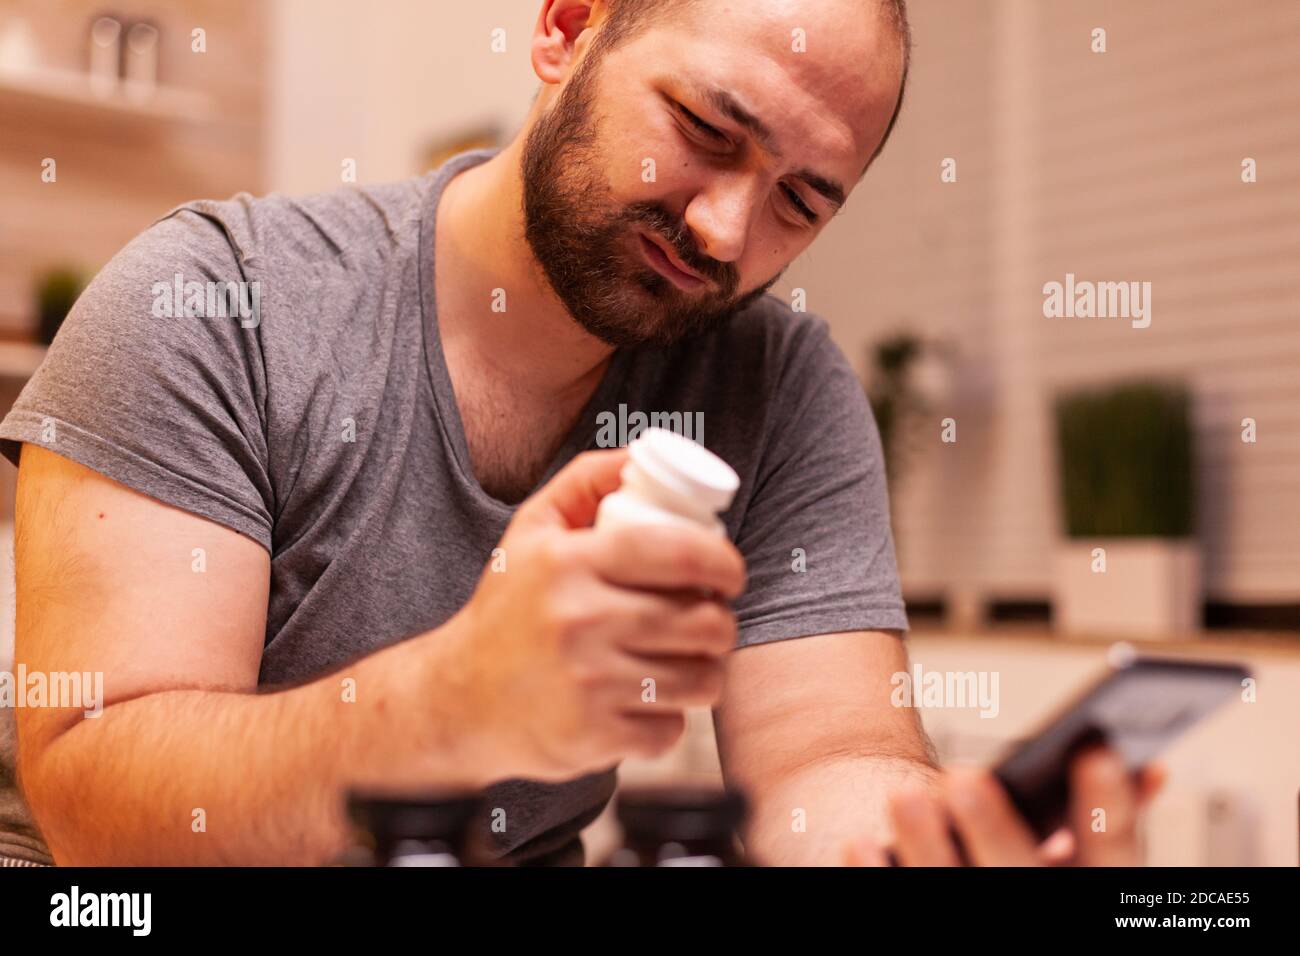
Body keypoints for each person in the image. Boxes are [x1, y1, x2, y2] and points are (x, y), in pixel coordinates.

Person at [0, 0, 1154, 867]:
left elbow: (823, 756)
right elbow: (95, 803)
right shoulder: (209, 298)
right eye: (705, 127)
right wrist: (452, 702)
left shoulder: (778, 382)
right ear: (565, 27)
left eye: (800, 202)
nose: (720, 229)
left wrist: (924, 845)